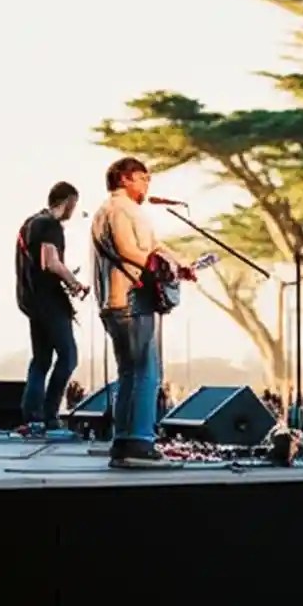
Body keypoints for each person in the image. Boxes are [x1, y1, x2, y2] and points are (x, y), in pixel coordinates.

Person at [90, 157, 191, 468]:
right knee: (145, 372)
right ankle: (138, 444)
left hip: (120, 301)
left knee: (130, 373)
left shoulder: (117, 210)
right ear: (125, 179)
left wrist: (178, 263)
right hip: (130, 300)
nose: (148, 185)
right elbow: (126, 248)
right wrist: (164, 267)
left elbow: (153, 245)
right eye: (143, 179)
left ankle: (124, 442)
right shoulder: (119, 209)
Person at [15, 181, 86, 437]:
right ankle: (49, 415)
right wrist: (74, 283)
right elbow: (50, 262)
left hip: (32, 300)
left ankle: (32, 416)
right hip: (49, 302)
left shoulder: (29, 223)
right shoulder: (49, 225)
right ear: (67, 201)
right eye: (73, 205)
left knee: (42, 359)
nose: (73, 211)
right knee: (68, 356)